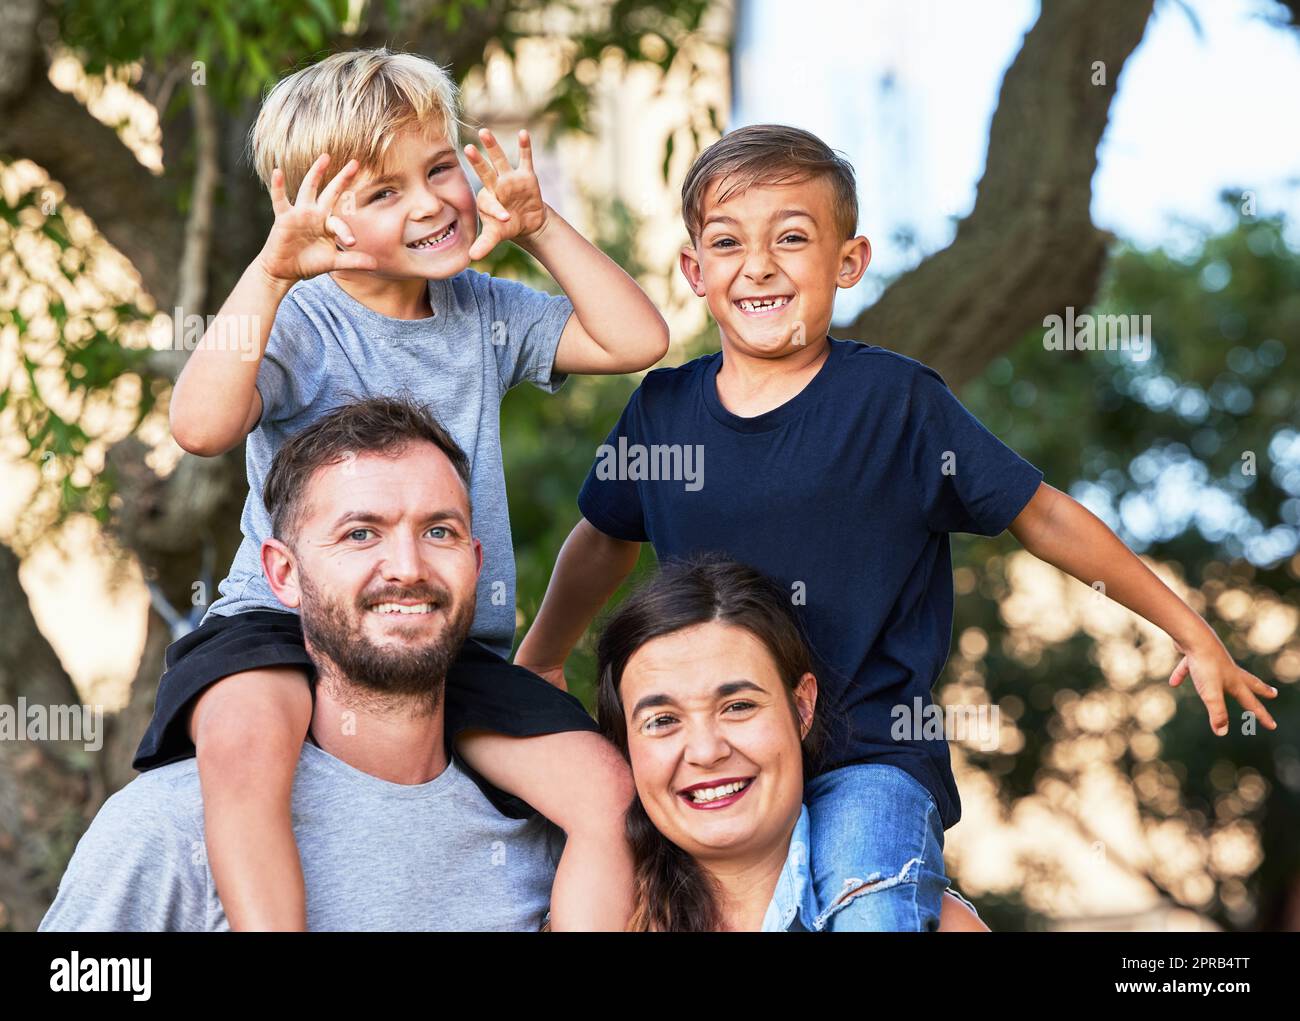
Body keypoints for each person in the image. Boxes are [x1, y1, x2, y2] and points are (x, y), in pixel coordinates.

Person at [515, 123, 1279, 931]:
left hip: (868, 759)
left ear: (849, 261)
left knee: (871, 910)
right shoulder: (662, 414)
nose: (760, 264)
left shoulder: (897, 405)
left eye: (793, 238)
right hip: (712, 761)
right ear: (694, 269)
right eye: (728, 242)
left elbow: (1043, 513)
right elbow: (602, 538)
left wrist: (1188, 628)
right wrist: (544, 654)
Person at [134, 48, 668, 930]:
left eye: (440, 167)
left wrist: (537, 225)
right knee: (242, 745)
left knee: (610, 794)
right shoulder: (302, 319)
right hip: (283, 622)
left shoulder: (486, 312)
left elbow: (634, 337)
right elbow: (198, 424)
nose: (429, 203)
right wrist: (270, 273)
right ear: (320, 219)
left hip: (446, 642)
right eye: (383, 193)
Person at [43, 398, 574, 931]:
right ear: (283, 573)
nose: (408, 568)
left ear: (476, 563)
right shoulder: (168, 828)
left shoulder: (545, 838)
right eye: (360, 534)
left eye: (439, 532)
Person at [594, 556, 987, 931]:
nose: (706, 751)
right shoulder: (584, 913)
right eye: (662, 720)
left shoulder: (911, 918)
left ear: (802, 708)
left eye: (738, 706)